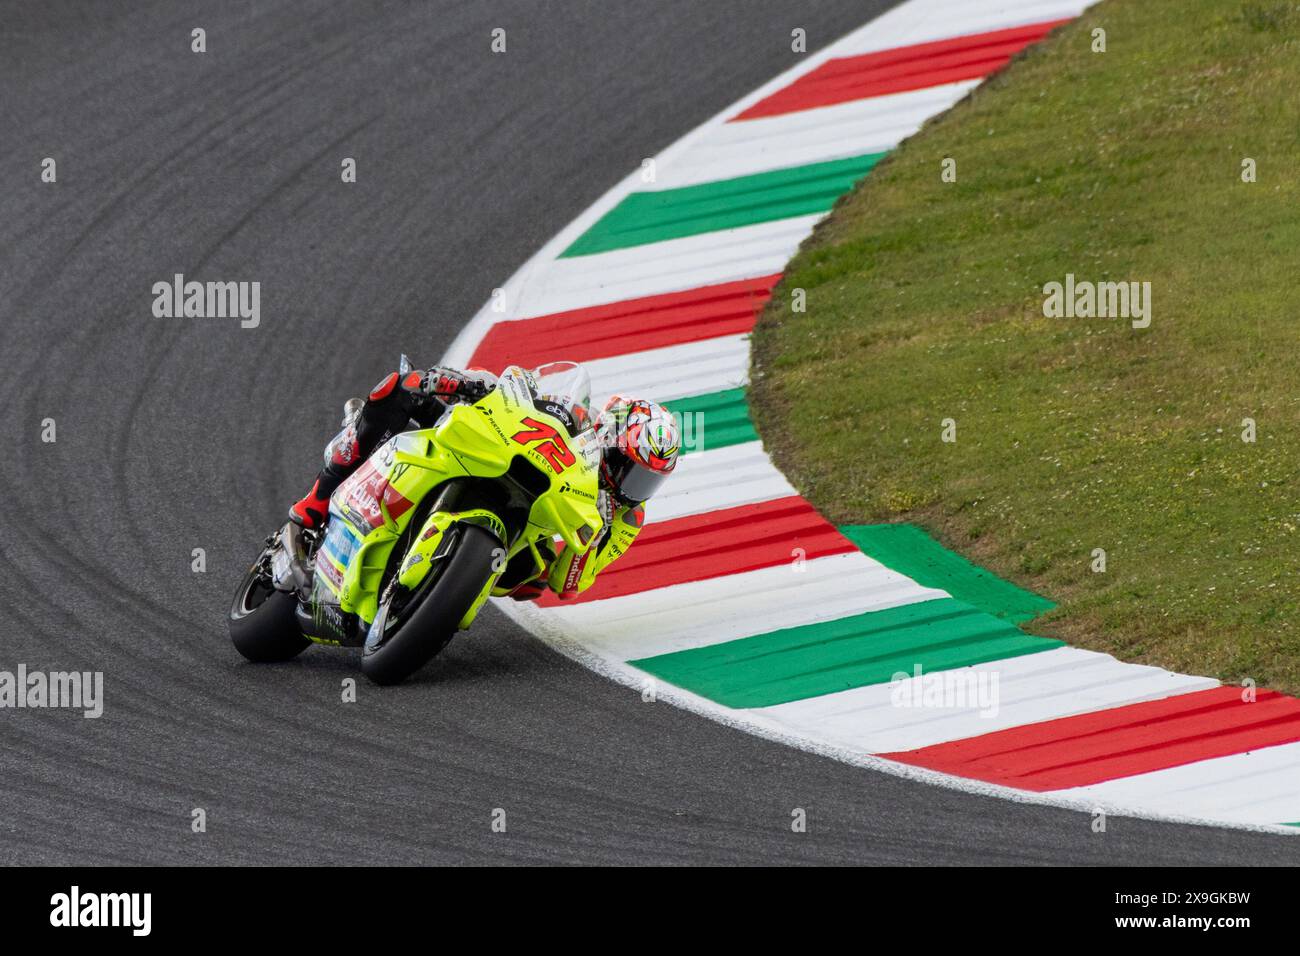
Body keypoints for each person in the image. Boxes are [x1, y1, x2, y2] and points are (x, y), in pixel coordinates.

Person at [289, 364, 679, 601]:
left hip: (525, 527)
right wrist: (470, 384)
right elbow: (521, 388)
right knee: (401, 388)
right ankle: (317, 500)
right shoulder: (578, 417)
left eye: (647, 481)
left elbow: (568, 583)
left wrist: (594, 535)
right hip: (494, 449)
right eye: (630, 469)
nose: (633, 488)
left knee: (529, 579)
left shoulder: (626, 518)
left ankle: (439, 587)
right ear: (608, 438)